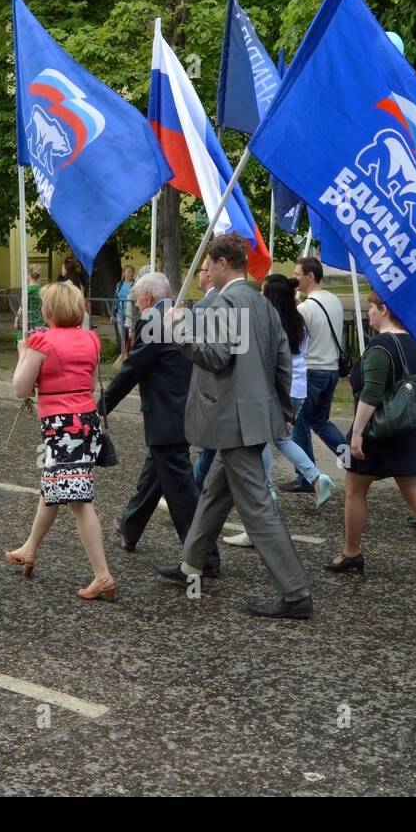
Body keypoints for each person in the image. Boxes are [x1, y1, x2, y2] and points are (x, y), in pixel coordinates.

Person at [157, 233, 313, 619]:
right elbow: (283, 360)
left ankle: (295, 593)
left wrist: (177, 330)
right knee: (214, 493)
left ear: (223, 265)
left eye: (210, 265)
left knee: (257, 510)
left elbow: (215, 356)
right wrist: (281, 408)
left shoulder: (225, 303)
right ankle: (191, 564)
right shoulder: (264, 303)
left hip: (233, 419)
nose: (207, 271)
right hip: (256, 416)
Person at [328, 292, 416, 575]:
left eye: (371, 309)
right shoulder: (413, 343)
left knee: (354, 490)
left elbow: (371, 394)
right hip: (407, 427)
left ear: (384, 309)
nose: (368, 314)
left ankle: (351, 552)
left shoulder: (380, 346)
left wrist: (357, 434)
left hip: (377, 430)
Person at [101, 271, 218, 577]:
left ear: (149, 298)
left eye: (137, 300)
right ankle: (130, 527)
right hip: (184, 410)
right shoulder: (185, 315)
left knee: (181, 490)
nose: (136, 306)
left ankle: (203, 557)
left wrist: (100, 406)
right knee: (156, 473)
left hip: (167, 414)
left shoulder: (153, 320)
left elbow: (133, 369)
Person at [7, 282, 116, 601]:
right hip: (85, 421)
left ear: (49, 311)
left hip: (59, 425)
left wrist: (22, 354)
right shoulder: (92, 339)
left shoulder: (41, 341)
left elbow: (20, 389)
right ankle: (29, 548)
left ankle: (102, 574)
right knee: (53, 488)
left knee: (79, 501)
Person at [225, 276, 334, 550]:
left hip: (277, 390)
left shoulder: (271, 323)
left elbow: (271, 362)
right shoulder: (299, 321)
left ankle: (269, 491)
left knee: (262, 437)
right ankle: (313, 476)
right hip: (298, 388)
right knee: (282, 438)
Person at [284, 256, 348, 491]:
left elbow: (296, 342)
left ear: (310, 276)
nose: (294, 279)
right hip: (331, 370)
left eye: (297, 274)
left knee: (300, 425)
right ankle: (352, 460)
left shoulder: (305, 308)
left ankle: (305, 476)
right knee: (321, 422)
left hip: (311, 371)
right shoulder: (334, 300)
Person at [190, 256, 219, 490]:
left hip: (207, 382)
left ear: (209, 275)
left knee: (206, 445)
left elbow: (196, 348)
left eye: (200, 270)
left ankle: (192, 489)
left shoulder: (202, 307)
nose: (198, 275)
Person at [13, 265, 46, 339]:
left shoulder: (26, 290)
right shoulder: (42, 289)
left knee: (23, 339)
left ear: (29, 275)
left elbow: (22, 307)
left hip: (28, 320)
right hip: (39, 320)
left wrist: (16, 320)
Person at [112, 266, 136, 357]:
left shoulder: (135, 284)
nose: (130, 274)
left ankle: (130, 353)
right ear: (124, 273)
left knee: (130, 334)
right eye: (128, 272)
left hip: (130, 313)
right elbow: (116, 299)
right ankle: (124, 353)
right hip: (120, 313)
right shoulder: (119, 285)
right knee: (122, 334)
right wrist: (112, 314)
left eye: (132, 272)